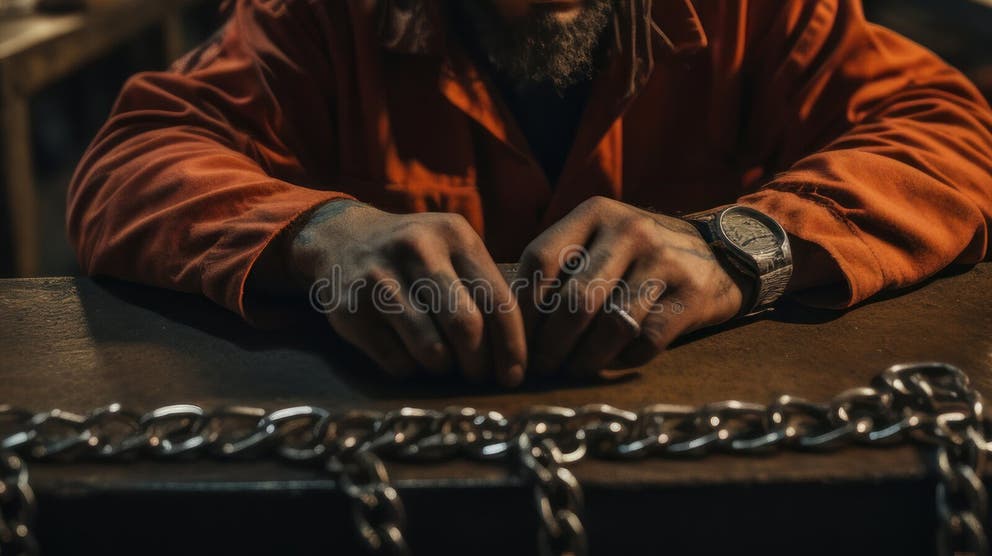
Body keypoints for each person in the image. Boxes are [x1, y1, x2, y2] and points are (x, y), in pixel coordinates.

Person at [67, 0, 992, 387]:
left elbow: (955, 134)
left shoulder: (754, 10)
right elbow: (137, 155)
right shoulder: (318, 17)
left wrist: (735, 248)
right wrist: (318, 236)